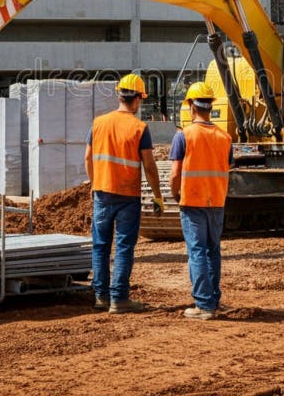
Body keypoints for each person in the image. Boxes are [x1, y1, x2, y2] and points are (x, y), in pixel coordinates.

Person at [85, 73, 164, 314]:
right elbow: (149, 166)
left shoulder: (98, 123)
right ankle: (119, 299)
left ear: (119, 95)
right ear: (138, 99)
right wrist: (158, 196)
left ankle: (101, 297)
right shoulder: (140, 128)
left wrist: (94, 183)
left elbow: (88, 158)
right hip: (128, 195)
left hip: (103, 192)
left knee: (100, 245)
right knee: (123, 247)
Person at [169, 81, 233, 321]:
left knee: (197, 252)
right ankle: (213, 299)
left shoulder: (183, 136)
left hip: (193, 201)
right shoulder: (224, 137)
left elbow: (175, 174)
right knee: (212, 251)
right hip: (216, 201)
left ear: (191, 107)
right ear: (210, 107)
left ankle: (204, 304)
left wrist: (176, 194)